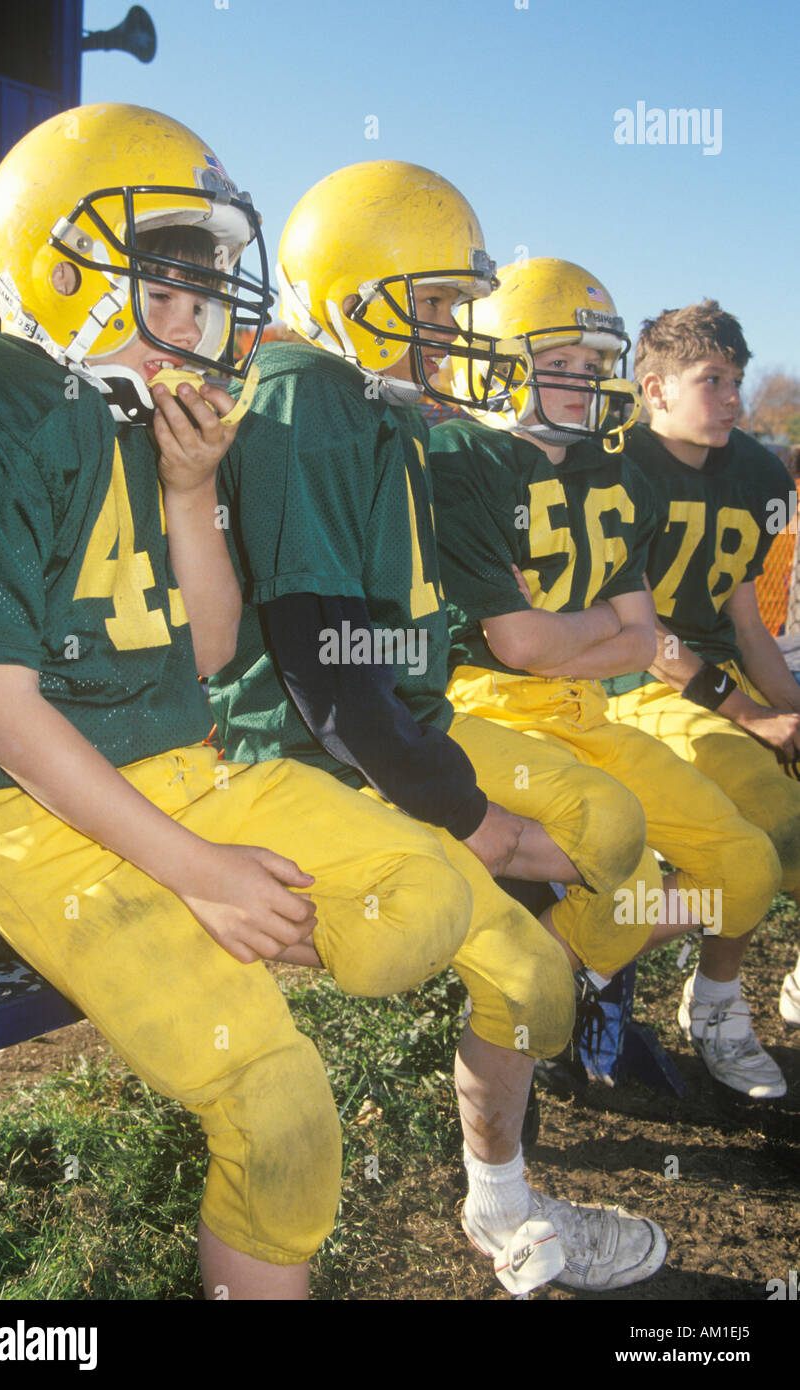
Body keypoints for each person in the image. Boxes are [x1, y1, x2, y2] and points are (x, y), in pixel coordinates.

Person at [0, 104, 476, 1302]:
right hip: (10, 798)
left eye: (207, 293)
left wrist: (191, 491)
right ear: (58, 266)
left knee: (423, 903)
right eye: (167, 292)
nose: (196, 323)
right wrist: (195, 869)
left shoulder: (147, 420)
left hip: (158, 759)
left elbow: (212, 647)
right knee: (279, 1098)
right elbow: (4, 716)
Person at [208, 162, 667, 1297]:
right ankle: (498, 1203)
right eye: (427, 310)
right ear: (339, 290)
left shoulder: (366, 402)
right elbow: (321, 663)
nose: (449, 334)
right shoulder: (303, 394)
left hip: (379, 737)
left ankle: (498, 1186)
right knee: (520, 955)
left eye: (453, 311)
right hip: (306, 754)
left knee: (571, 916)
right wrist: (470, 818)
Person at [427, 259, 783, 1099]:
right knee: (625, 849)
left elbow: (636, 642)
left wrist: (564, 638)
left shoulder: (602, 470)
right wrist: (587, 636)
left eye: (592, 368)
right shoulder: (458, 458)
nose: (584, 386)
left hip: (586, 710)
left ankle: (557, 957)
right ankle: (528, 996)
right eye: (561, 365)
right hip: (488, 710)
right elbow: (515, 649)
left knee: (745, 871)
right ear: (495, 359)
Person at [602, 299, 800, 1084]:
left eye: (739, 380)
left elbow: (747, 621)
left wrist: (790, 712)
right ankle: (715, 1002)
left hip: (721, 672)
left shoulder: (752, 468)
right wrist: (754, 717)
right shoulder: (617, 461)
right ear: (652, 389)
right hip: (631, 678)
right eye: (711, 379)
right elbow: (645, 638)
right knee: (772, 819)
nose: (732, 398)